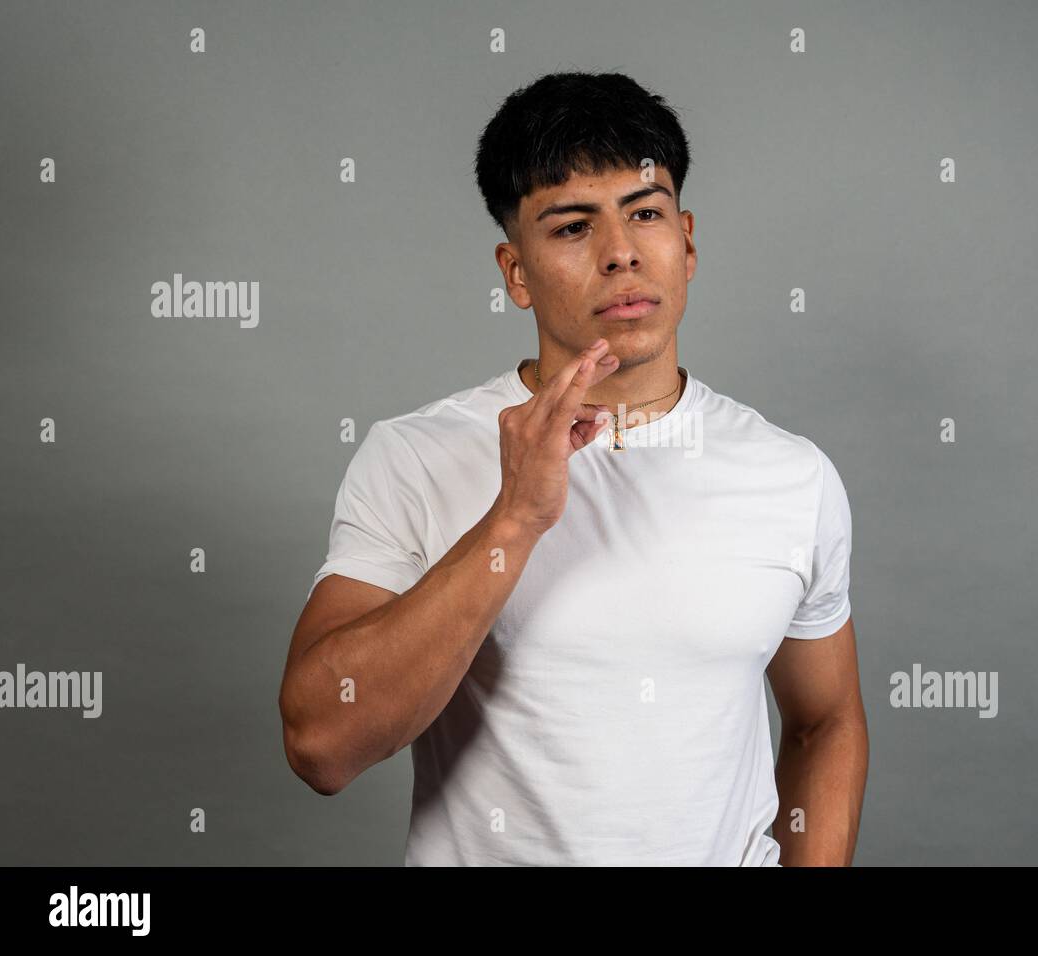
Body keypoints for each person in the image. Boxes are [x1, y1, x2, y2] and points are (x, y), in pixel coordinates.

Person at [278, 70, 868, 866]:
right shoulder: (415, 456)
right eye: (570, 228)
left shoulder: (790, 475)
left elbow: (824, 721)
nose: (621, 254)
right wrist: (513, 520)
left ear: (687, 242)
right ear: (515, 271)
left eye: (646, 214)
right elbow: (322, 744)